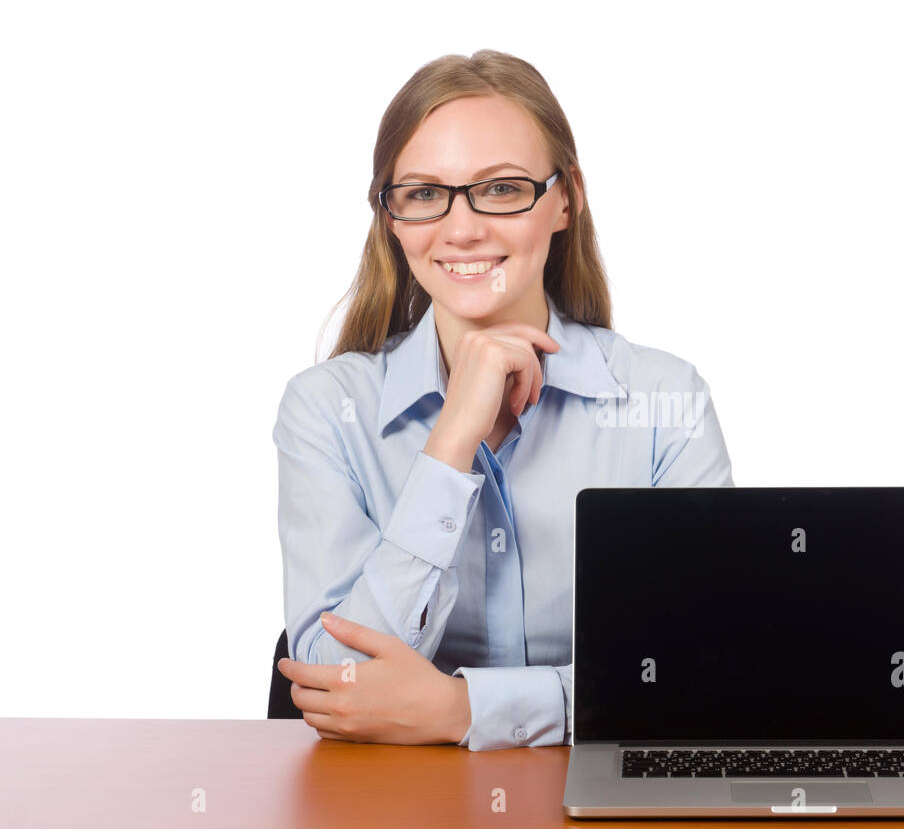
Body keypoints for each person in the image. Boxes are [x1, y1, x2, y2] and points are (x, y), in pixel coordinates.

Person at [272, 50, 733, 750]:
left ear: (564, 198)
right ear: (392, 217)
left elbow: (706, 671)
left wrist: (465, 711)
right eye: (425, 192)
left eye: (502, 188)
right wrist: (450, 444)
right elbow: (338, 682)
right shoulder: (324, 411)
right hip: (396, 811)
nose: (462, 229)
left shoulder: (664, 403)